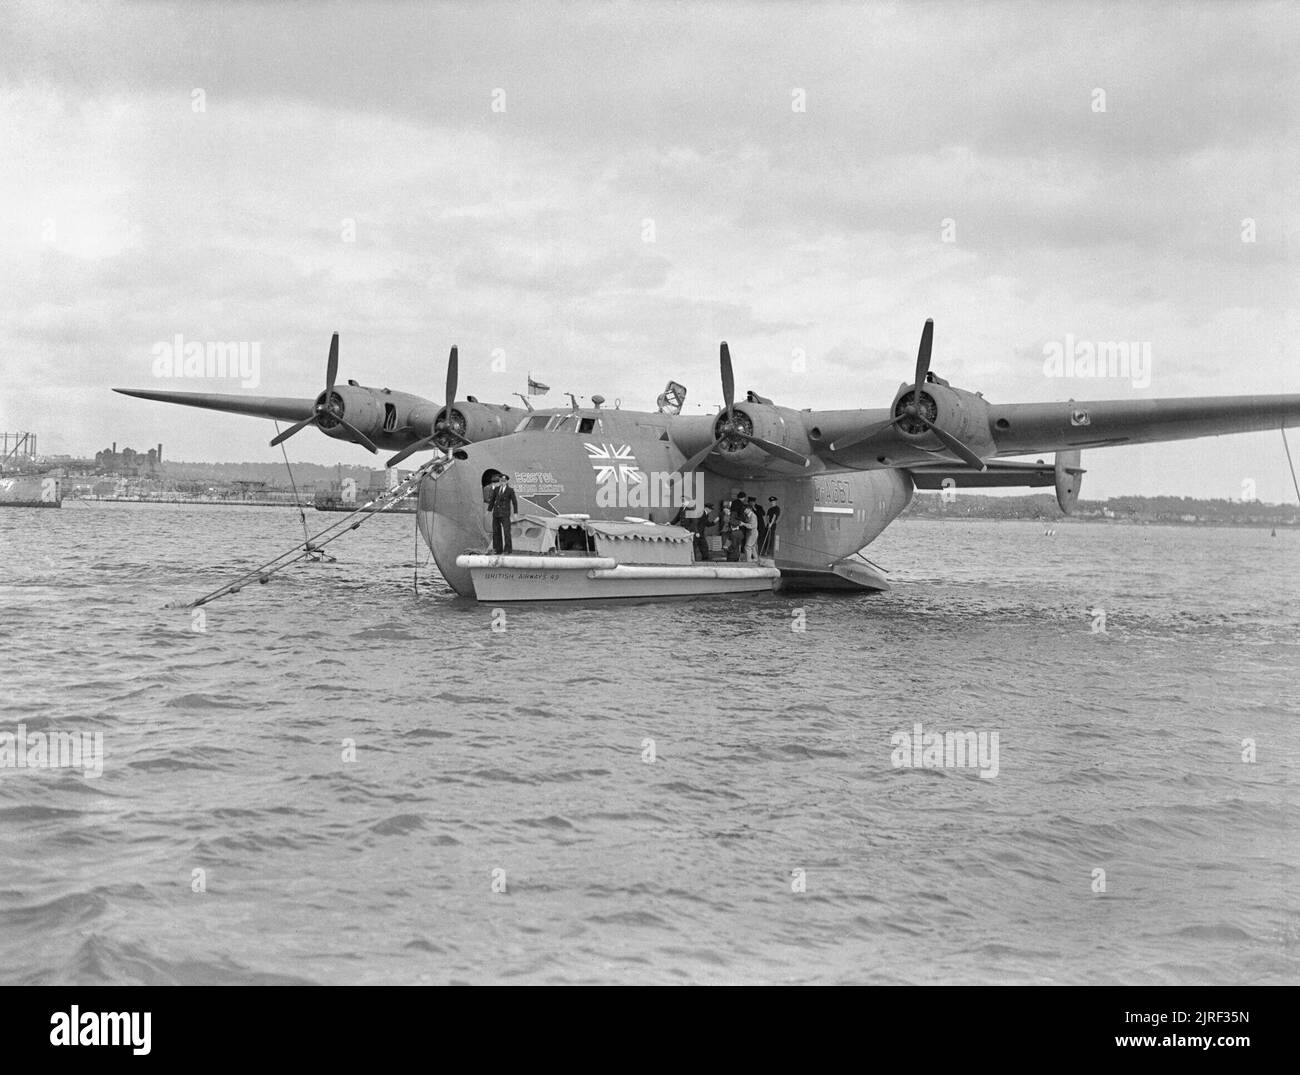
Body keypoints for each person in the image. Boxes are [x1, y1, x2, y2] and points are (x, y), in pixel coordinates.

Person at [487, 473, 518, 553]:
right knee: (496, 532)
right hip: (496, 513)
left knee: (507, 532)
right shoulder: (496, 489)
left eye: (504, 480)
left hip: (505, 514)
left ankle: (508, 549)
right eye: (501, 480)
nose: (502, 482)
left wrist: (515, 513)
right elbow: (492, 501)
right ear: (500, 481)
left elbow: (514, 502)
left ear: (506, 481)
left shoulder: (510, 490)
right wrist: (489, 510)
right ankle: (497, 549)